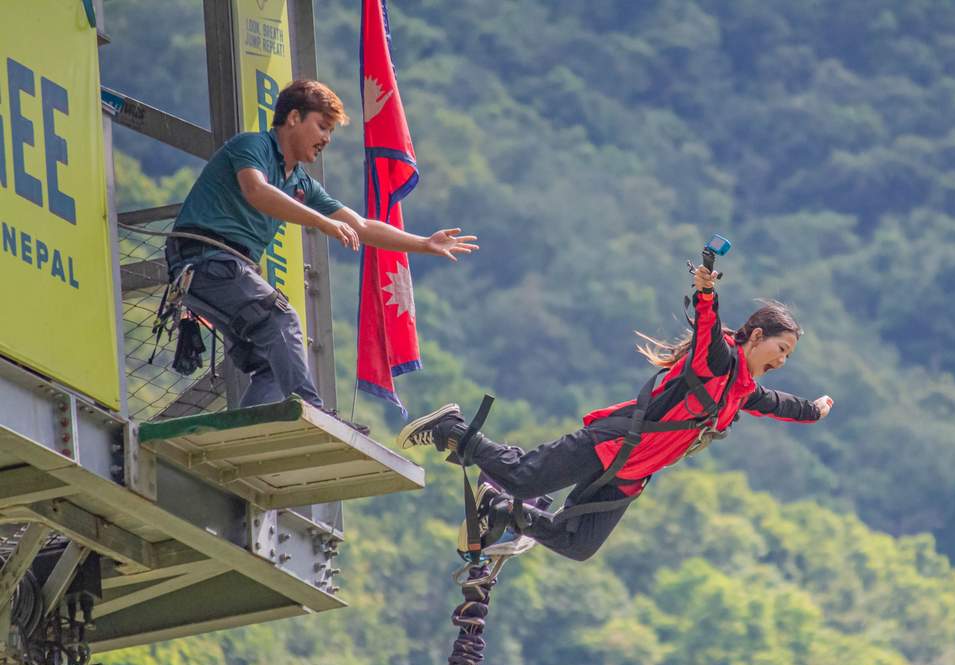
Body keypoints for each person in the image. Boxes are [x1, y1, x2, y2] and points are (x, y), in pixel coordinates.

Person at [396, 264, 834, 562]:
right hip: (612, 442)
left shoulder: (741, 392)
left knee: (579, 543)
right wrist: (706, 291)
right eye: (780, 350)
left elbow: (782, 404)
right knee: (524, 477)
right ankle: (452, 429)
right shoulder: (716, 360)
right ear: (755, 337)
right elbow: (706, 324)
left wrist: (814, 411)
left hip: (627, 477)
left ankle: (504, 512)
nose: (781, 361)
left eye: (788, 358)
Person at [164, 79, 477, 410]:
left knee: (273, 362)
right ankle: (312, 410)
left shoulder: (300, 183)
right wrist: (321, 221)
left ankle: (242, 431)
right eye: (322, 127)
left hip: (225, 270)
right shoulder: (252, 146)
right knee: (281, 319)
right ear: (295, 118)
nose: (326, 139)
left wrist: (425, 243)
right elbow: (256, 191)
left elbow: (361, 225)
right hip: (204, 258)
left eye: (330, 132)